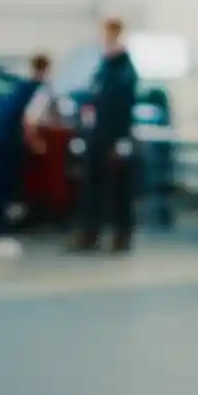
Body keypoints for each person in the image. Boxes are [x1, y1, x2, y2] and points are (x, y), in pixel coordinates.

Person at [71, 17, 139, 253]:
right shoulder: (103, 66)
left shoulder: (124, 69)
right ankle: (90, 233)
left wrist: (119, 139)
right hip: (97, 134)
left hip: (114, 135)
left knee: (118, 188)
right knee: (93, 186)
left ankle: (121, 235)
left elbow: (123, 104)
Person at [0, 53, 54, 260]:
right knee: (3, 187)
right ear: (47, 69)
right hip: (7, 141)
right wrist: (37, 144)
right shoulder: (40, 89)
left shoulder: (18, 85)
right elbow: (30, 121)